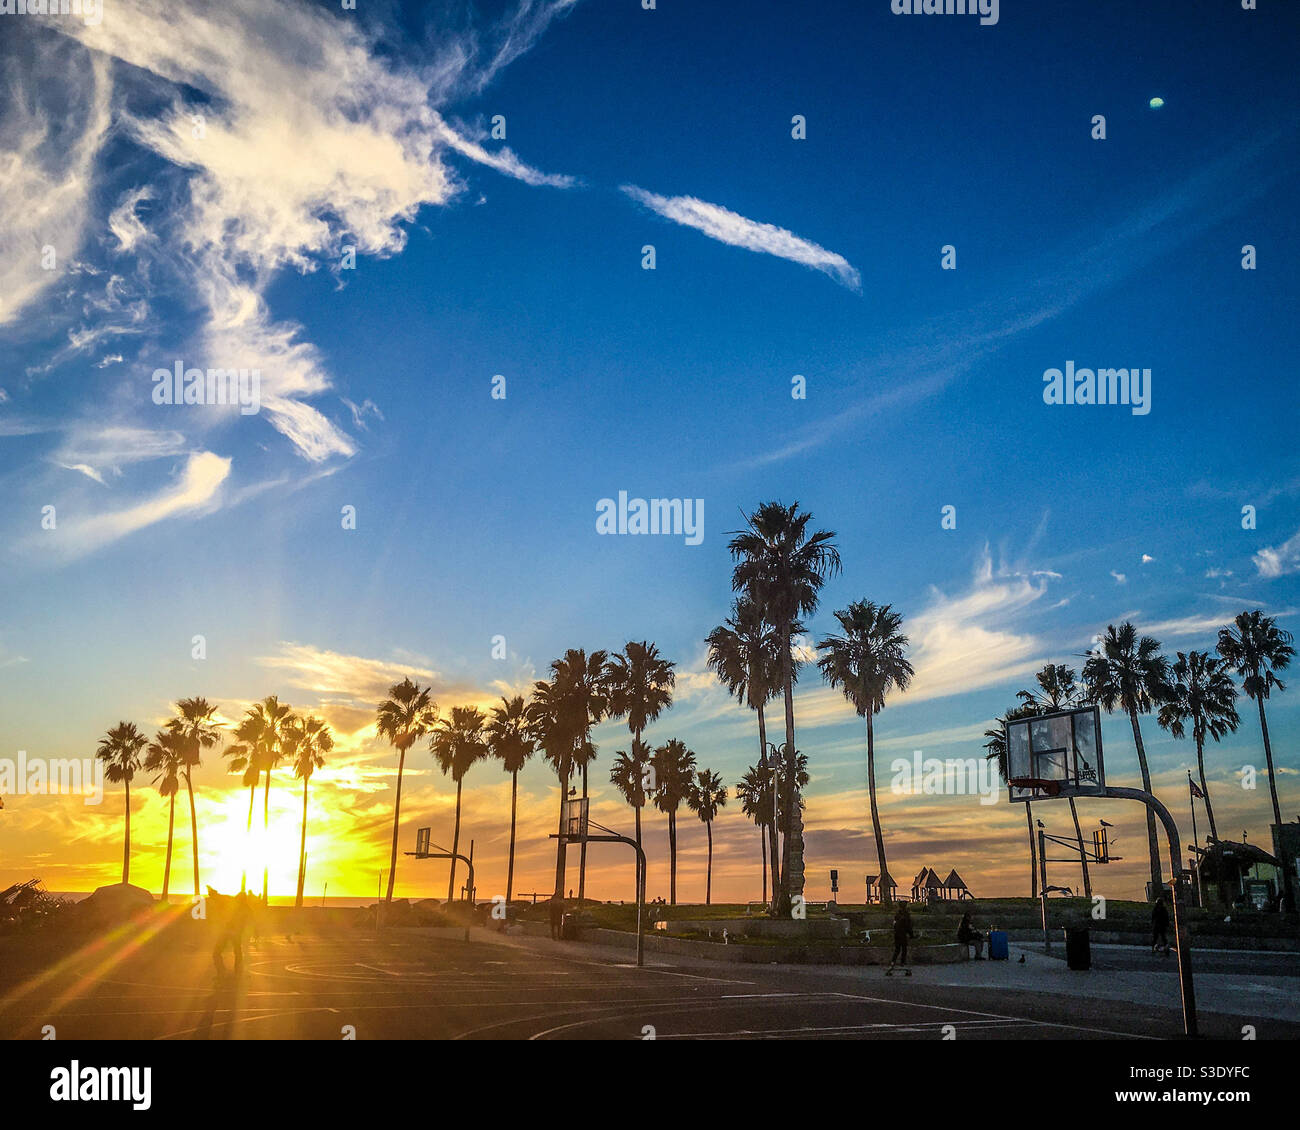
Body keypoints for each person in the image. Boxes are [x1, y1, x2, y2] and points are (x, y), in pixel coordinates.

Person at [888, 903, 915, 974]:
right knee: (904, 949)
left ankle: (893, 962)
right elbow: (908, 926)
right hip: (903, 934)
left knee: (897, 949)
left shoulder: (897, 914)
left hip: (896, 934)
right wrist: (911, 935)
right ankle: (903, 962)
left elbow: (894, 924)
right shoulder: (906, 915)